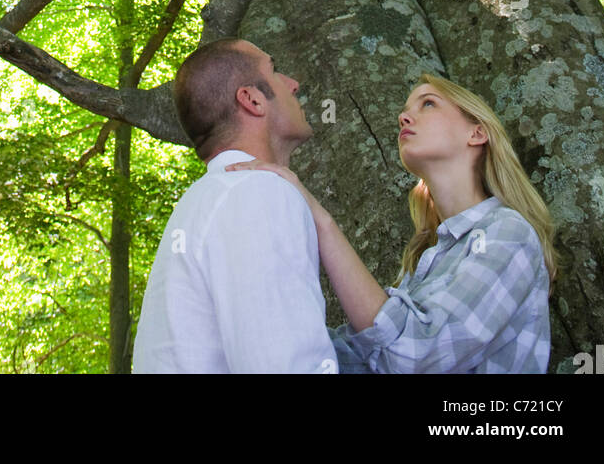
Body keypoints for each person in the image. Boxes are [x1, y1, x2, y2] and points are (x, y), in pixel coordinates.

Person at [227, 73, 555, 374]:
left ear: (477, 133)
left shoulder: (507, 233)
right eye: (406, 109)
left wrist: (320, 221)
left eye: (428, 103)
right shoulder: (426, 260)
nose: (404, 117)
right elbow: (353, 358)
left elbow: (415, 353)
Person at [132, 38, 338, 374]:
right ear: (253, 100)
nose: (293, 84)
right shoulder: (257, 190)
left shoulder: (203, 202)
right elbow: (284, 366)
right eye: (275, 71)